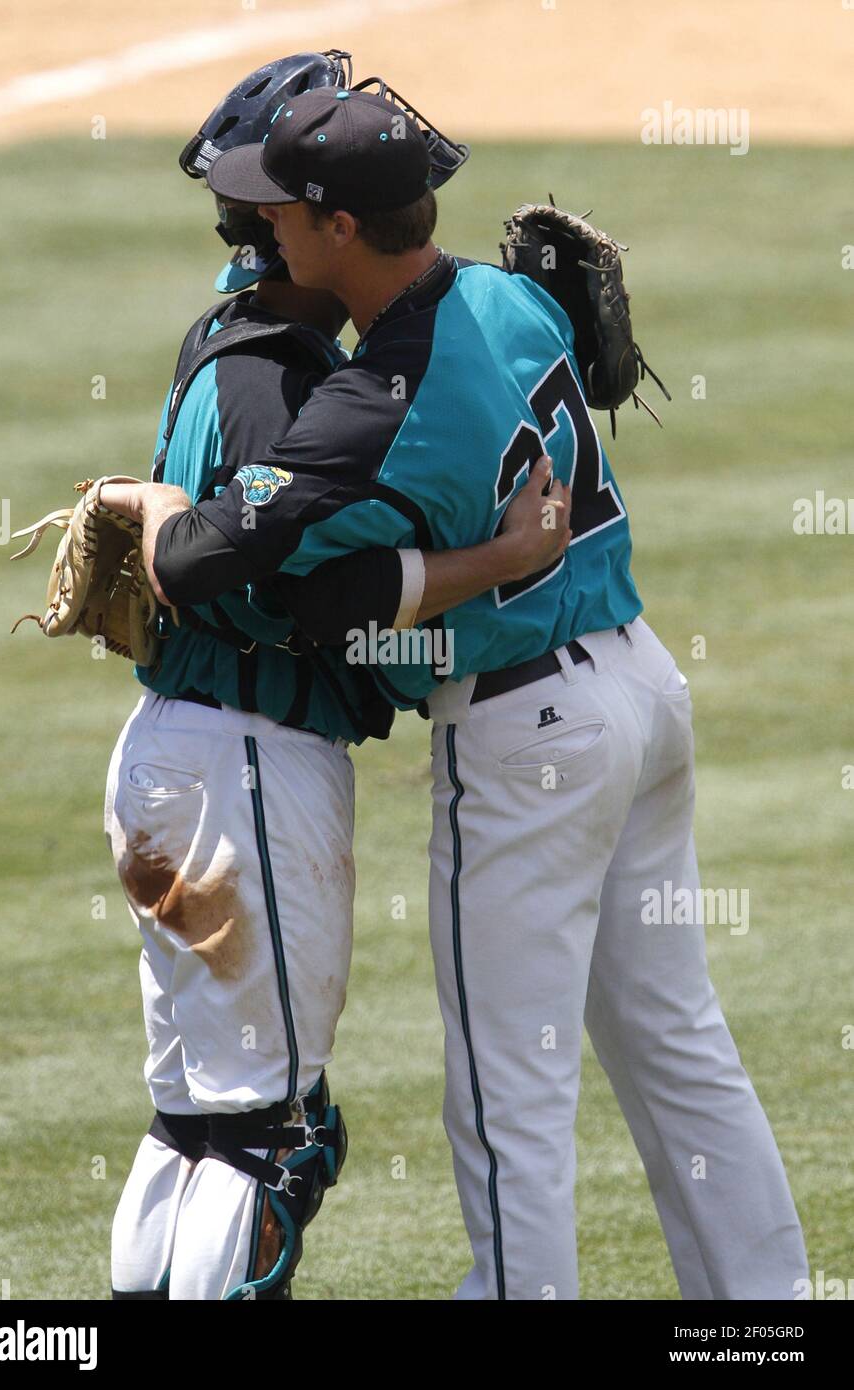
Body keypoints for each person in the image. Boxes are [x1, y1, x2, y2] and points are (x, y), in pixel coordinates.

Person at [105, 83, 809, 1301]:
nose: (263, 232)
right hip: (640, 688)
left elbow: (208, 565)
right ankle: (761, 1316)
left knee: (505, 1095)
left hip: (530, 736)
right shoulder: (509, 295)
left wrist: (147, 503)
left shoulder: (376, 399)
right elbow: (581, 359)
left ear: (335, 228)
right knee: (679, 1051)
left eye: (284, 215)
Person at [104, 54, 568, 1302]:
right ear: (291, 225)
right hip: (247, 766)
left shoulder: (230, 336)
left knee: (194, 1126)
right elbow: (269, 594)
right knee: (271, 1135)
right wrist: (479, 568)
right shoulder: (284, 379)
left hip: (179, 757)